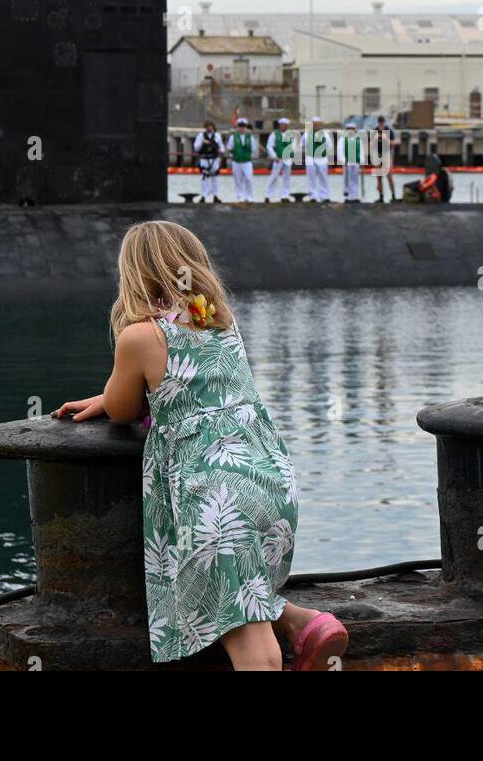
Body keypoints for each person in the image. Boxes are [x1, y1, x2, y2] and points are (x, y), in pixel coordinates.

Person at [50, 220, 348, 670]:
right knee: (241, 591)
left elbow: (125, 409)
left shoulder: (139, 337)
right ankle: (306, 625)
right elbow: (193, 386)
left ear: (132, 273)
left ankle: (292, 629)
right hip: (269, 481)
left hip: (212, 494)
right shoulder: (220, 324)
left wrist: (109, 398)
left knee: (252, 645)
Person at [263, 118, 294, 203]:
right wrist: (274, 156)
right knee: (274, 176)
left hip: (287, 158)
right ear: (280, 125)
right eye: (284, 125)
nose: (285, 127)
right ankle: (267, 195)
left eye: (287, 125)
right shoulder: (274, 134)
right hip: (278, 158)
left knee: (286, 178)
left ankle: (285, 196)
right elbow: (269, 146)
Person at [192, 120, 224, 203]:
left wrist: (219, 150)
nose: (209, 128)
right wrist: (202, 143)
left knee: (215, 178)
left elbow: (221, 147)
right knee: (204, 178)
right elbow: (196, 148)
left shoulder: (217, 136)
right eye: (207, 126)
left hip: (214, 159)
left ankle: (215, 196)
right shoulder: (201, 136)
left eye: (210, 126)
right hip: (204, 159)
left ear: (213, 127)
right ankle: (203, 196)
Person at [228, 118, 256, 203]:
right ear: (237, 127)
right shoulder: (233, 137)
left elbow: (253, 148)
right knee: (238, 180)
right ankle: (240, 196)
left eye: (243, 126)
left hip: (247, 161)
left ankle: (249, 197)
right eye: (240, 126)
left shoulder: (250, 137)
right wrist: (233, 154)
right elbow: (229, 148)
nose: (242, 128)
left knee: (249, 178)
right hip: (237, 161)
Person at [304, 117, 331, 203]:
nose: (316, 126)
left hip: (321, 158)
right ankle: (313, 197)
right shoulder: (306, 134)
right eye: (314, 124)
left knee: (323, 177)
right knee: (311, 177)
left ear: (320, 125)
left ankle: (324, 197)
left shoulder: (325, 134)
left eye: (317, 124)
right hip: (310, 158)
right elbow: (301, 144)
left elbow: (329, 145)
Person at [371, 115, 397, 202]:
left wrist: (385, 139)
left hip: (386, 155)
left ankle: (393, 196)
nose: (381, 124)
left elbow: (393, 144)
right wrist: (375, 139)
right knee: (379, 177)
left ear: (384, 122)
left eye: (382, 122)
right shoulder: (375, 131)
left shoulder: (389, 131)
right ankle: (381, 196)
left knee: (389, 177)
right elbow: (370, 145)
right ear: (378, 123)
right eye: (380, 122)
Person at [338, 121, 362, 203]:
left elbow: (361, 151)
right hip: (347, 162)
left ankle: (354, 196)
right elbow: (340, 151)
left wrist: (361, 161)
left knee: (355, 180)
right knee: (347, 180)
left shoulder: (358, 139)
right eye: (349, 129)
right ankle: (348, 197)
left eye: (352, 129)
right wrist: (343, 160)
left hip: (356, 162)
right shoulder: (342, 139)